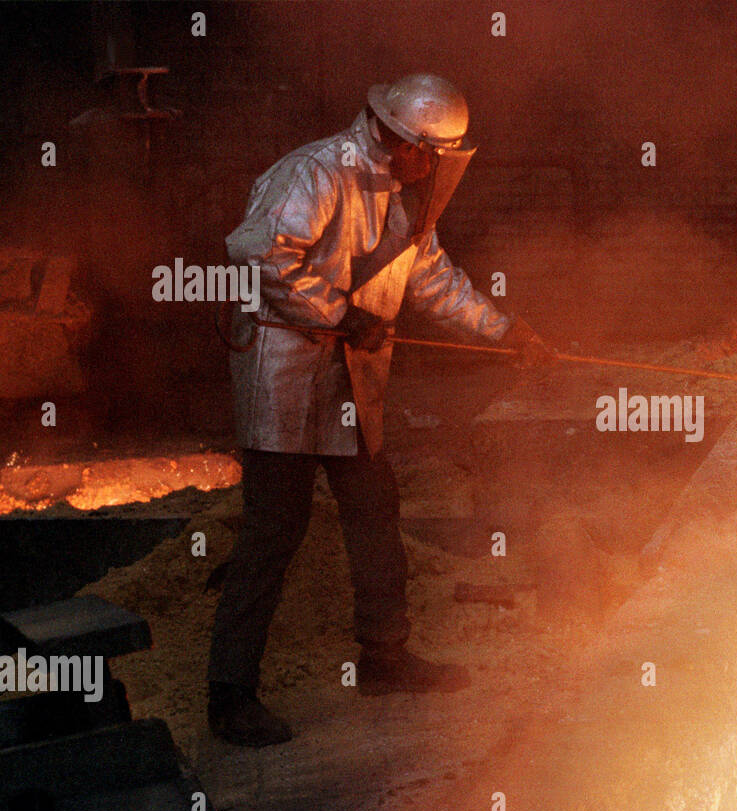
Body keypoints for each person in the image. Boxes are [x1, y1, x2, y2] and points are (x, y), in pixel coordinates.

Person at [209, 74, 554, 747]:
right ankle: (229, 693)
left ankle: (385, 658)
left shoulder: (396, 198)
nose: (434, 167)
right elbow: (257, 258)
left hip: (344, 383)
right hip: (283, 378)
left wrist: (502, 330)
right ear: (397, 138)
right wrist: (340, 315)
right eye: (430, 153)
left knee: (374, 507)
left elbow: (431, 277)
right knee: (275, 529)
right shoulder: (314, 172)